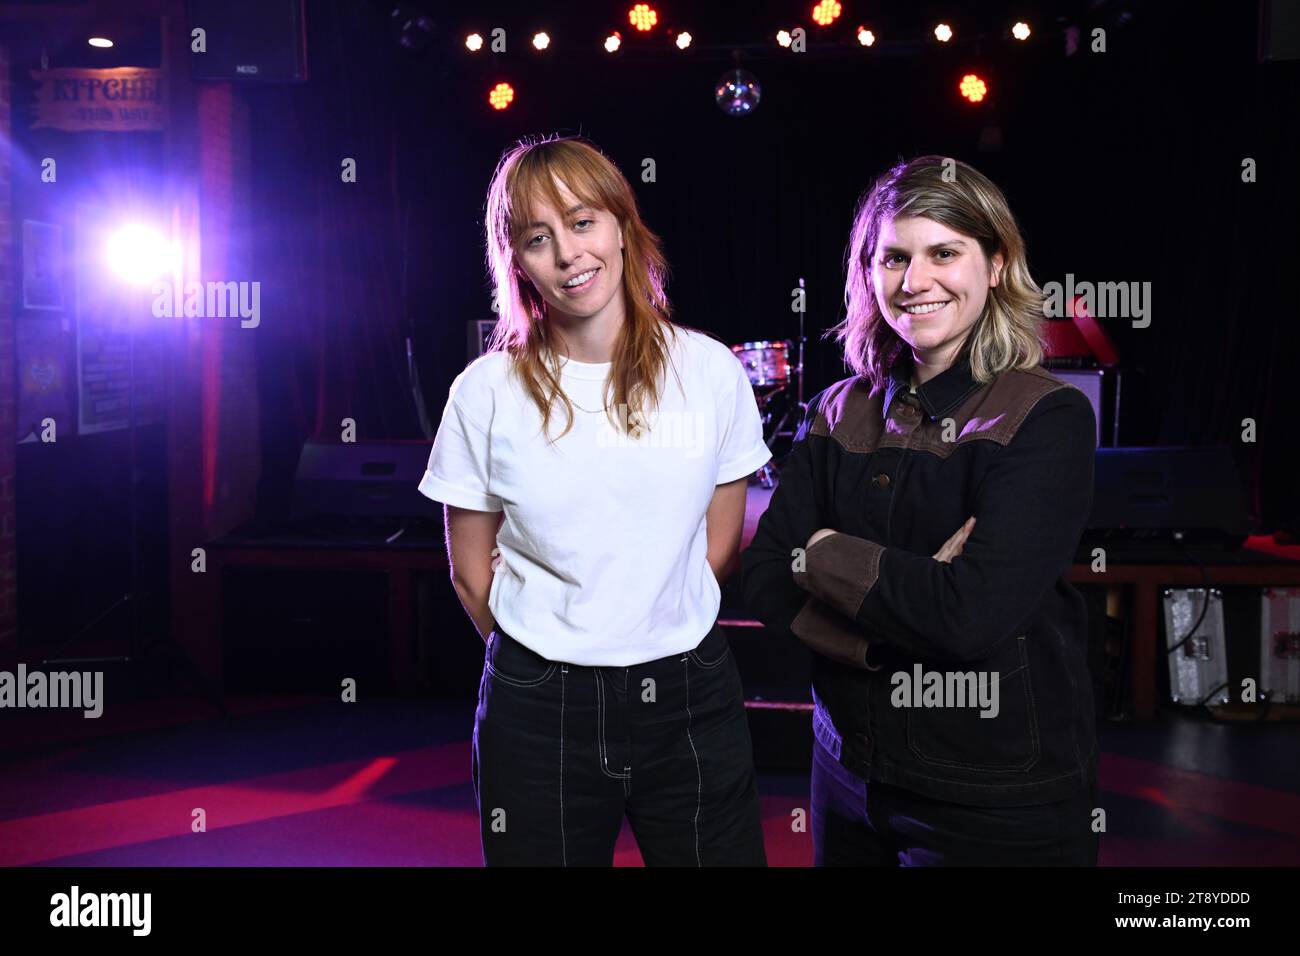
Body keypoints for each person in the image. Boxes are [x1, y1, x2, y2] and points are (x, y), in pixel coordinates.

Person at [419, 135, 772, 866]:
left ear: (621, 225)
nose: (569, 254)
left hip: (689, 695)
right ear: (516, 262)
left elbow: (720, 545)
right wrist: (550, 660)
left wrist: (644, 627)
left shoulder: (708, 372)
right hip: (538, 706)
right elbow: (469, 570)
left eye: (583, 223)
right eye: (538, 238)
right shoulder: (484, 391)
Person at [740, 155, 1100, 866]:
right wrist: (882, 627)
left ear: (996, 264)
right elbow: (764, 577)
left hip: (993, 795)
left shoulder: (1047, 416)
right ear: (868, 273)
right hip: (846, 774)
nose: (915, 282)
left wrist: (819, 553)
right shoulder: (836, 409)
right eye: (893, 258)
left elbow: (969, 617)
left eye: (945, 253)